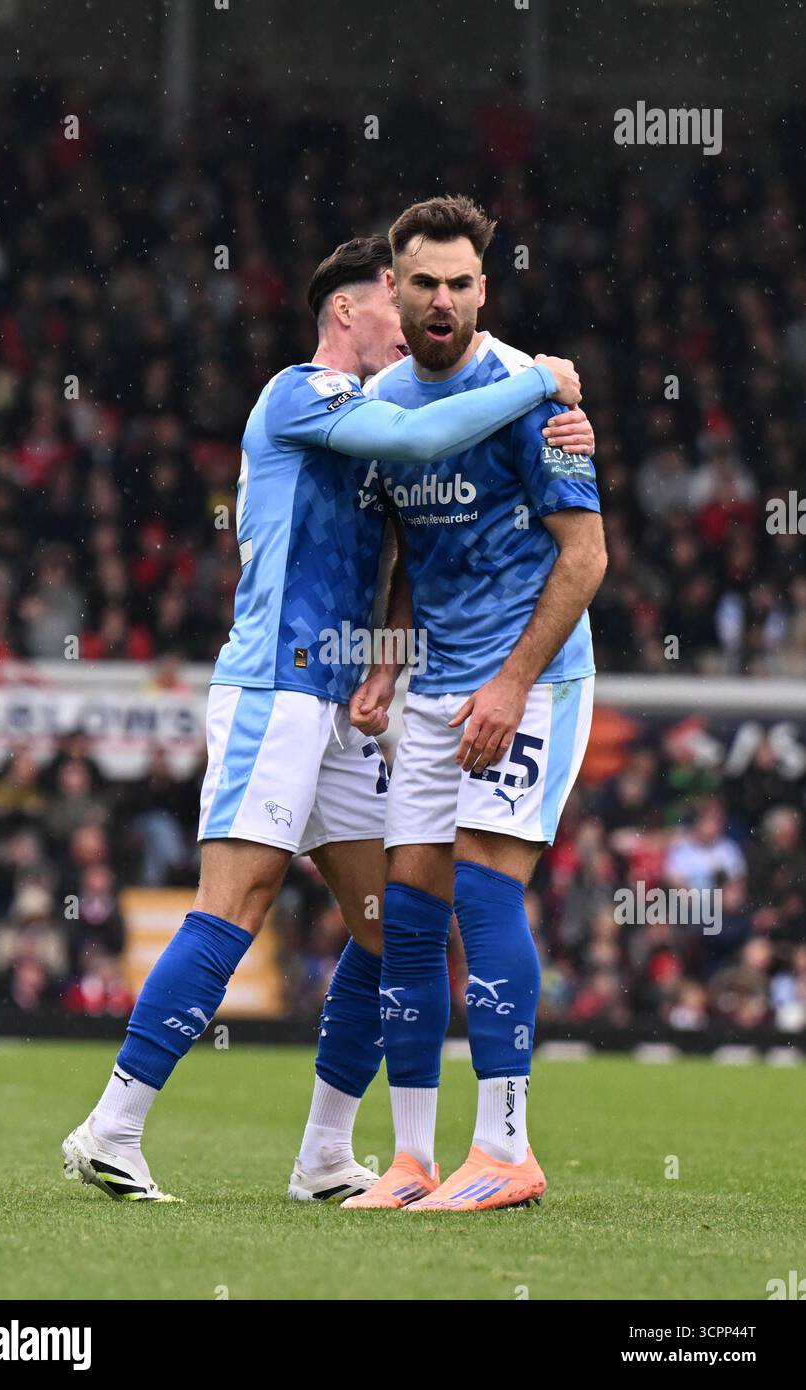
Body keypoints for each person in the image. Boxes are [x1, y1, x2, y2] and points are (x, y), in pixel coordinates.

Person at [61, 231, 592, 1203]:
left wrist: (387, 663)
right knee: (237, 902)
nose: (413, 317)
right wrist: (542, 383)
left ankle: (321, 1156)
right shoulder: (299, 394)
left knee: (391, 925)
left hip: (340, 703)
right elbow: (426, 440)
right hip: (274, 688)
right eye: (395, 299)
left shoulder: (377, 407)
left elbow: (409, 527)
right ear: (350, 309)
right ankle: (112, 1126)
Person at [343, 196, 606, 1212]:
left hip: (531, 678)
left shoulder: (537, 399)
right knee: (407, 910)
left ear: (482, 291)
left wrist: (508, 682)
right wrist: (386, 655)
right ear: (393, 292)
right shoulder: (384, 400)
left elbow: (586, 558)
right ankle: (411, 1160)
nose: (441, 299)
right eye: (423, 283)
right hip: (436, 681)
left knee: (484, 893)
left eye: (460, 283)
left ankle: (505, 1149)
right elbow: (413, 541)